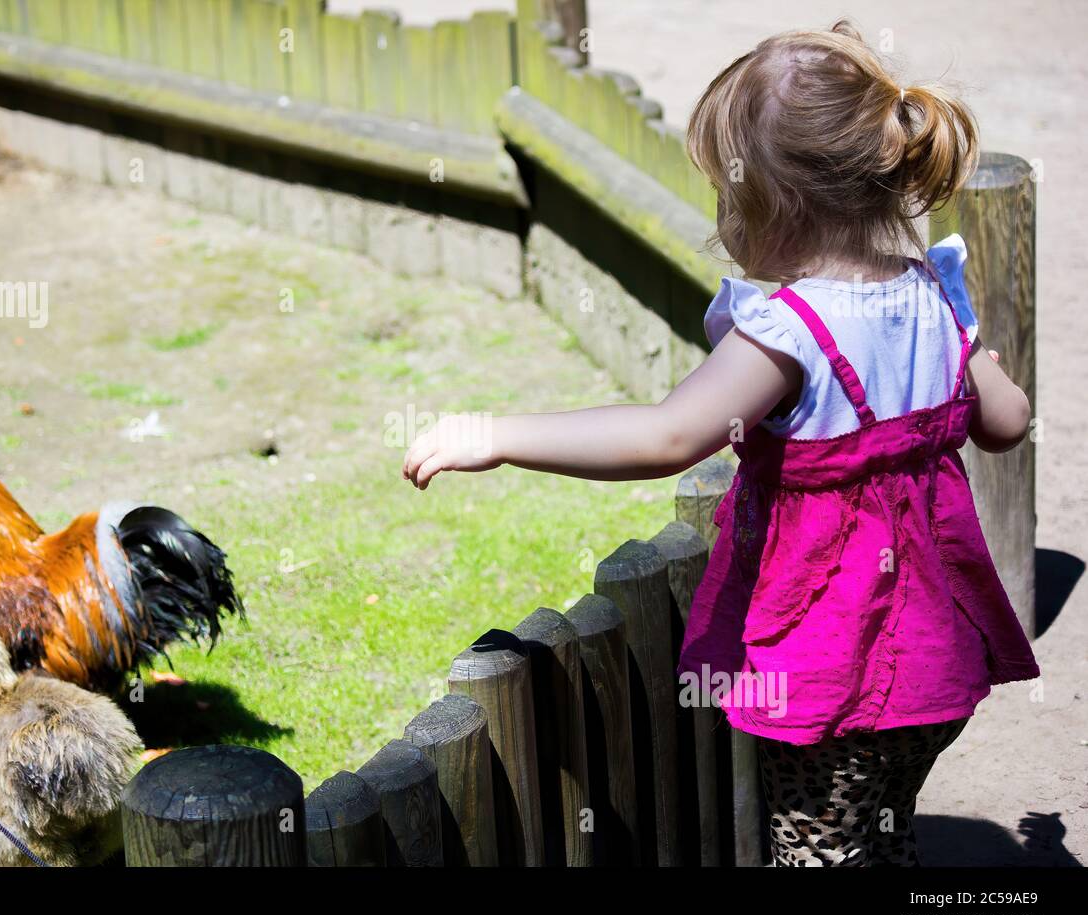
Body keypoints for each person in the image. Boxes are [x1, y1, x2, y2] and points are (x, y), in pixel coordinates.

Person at [400, 21, 1038, 866]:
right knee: (877, 832)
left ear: (775, 205)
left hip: (834, 669)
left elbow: (666, 434)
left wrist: (498, 435)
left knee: (814, 849)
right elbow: (1008, 423)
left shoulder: (791, 332)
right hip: (935, 664)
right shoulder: (934, 296)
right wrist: (976, 364)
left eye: (726, 196)